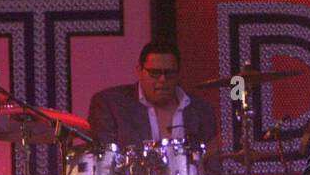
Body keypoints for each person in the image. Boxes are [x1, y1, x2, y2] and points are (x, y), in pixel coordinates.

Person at [87, 39, 218, 151]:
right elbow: (103, 161)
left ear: (179, 74)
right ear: (139, 71)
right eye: (155, 73)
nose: (162, 79)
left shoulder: (201, 110)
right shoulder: (110, 104)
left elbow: (212, 166)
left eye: (169, 73)